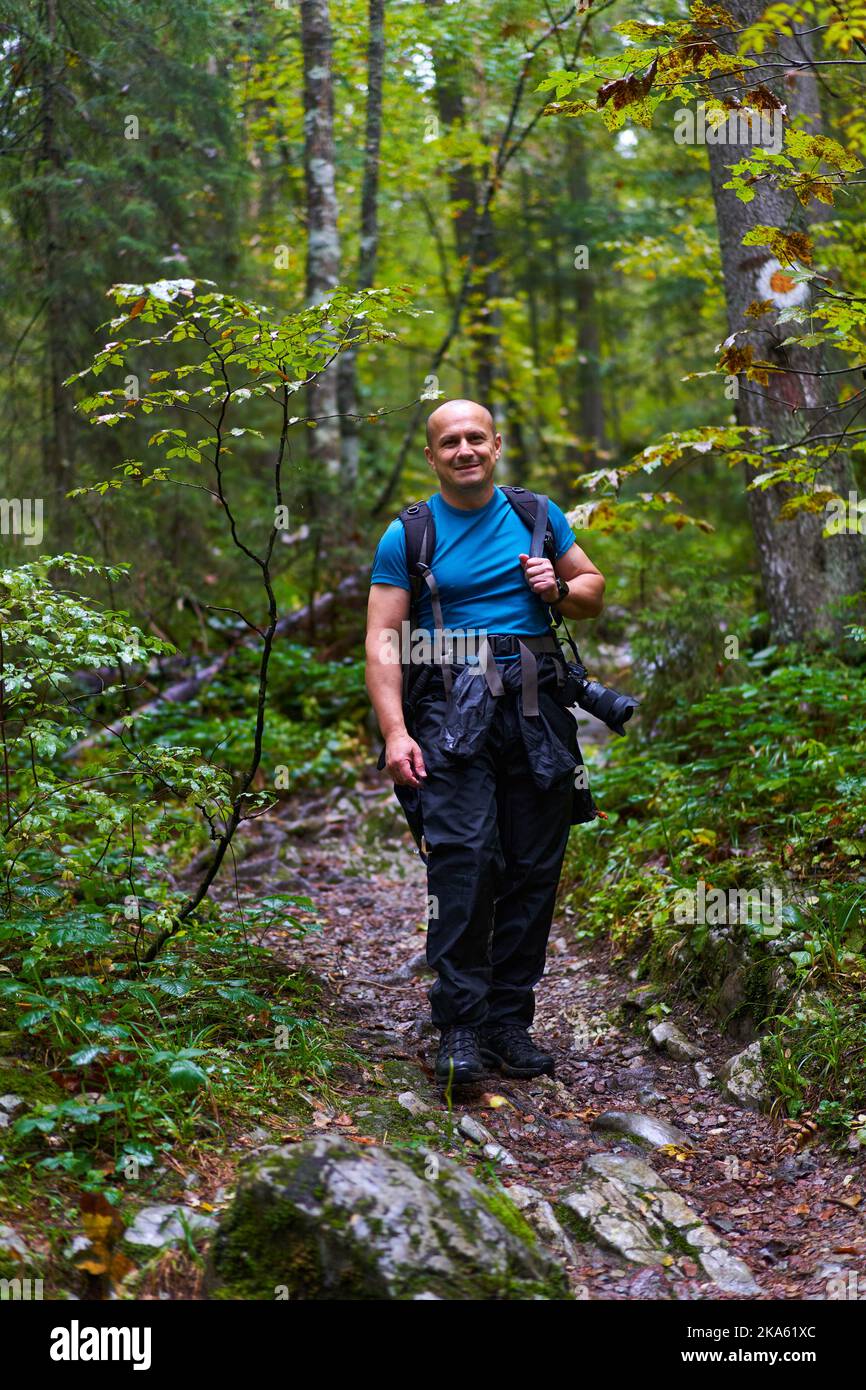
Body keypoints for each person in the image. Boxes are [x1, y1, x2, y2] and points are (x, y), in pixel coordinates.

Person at [365, 399, 605, 1084]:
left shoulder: (537, 514)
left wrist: (557, 587)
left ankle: (508, 1022)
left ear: (496, 446)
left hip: (535, 706)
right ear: (432, 456)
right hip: (446, 711)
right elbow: (383, 640)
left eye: (476, 438)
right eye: (450, 442)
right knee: (465, 860)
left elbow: (593, 591)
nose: (464, 450)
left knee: (533, 864)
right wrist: (394, 731)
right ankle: (460, 1027)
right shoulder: (407, 535)